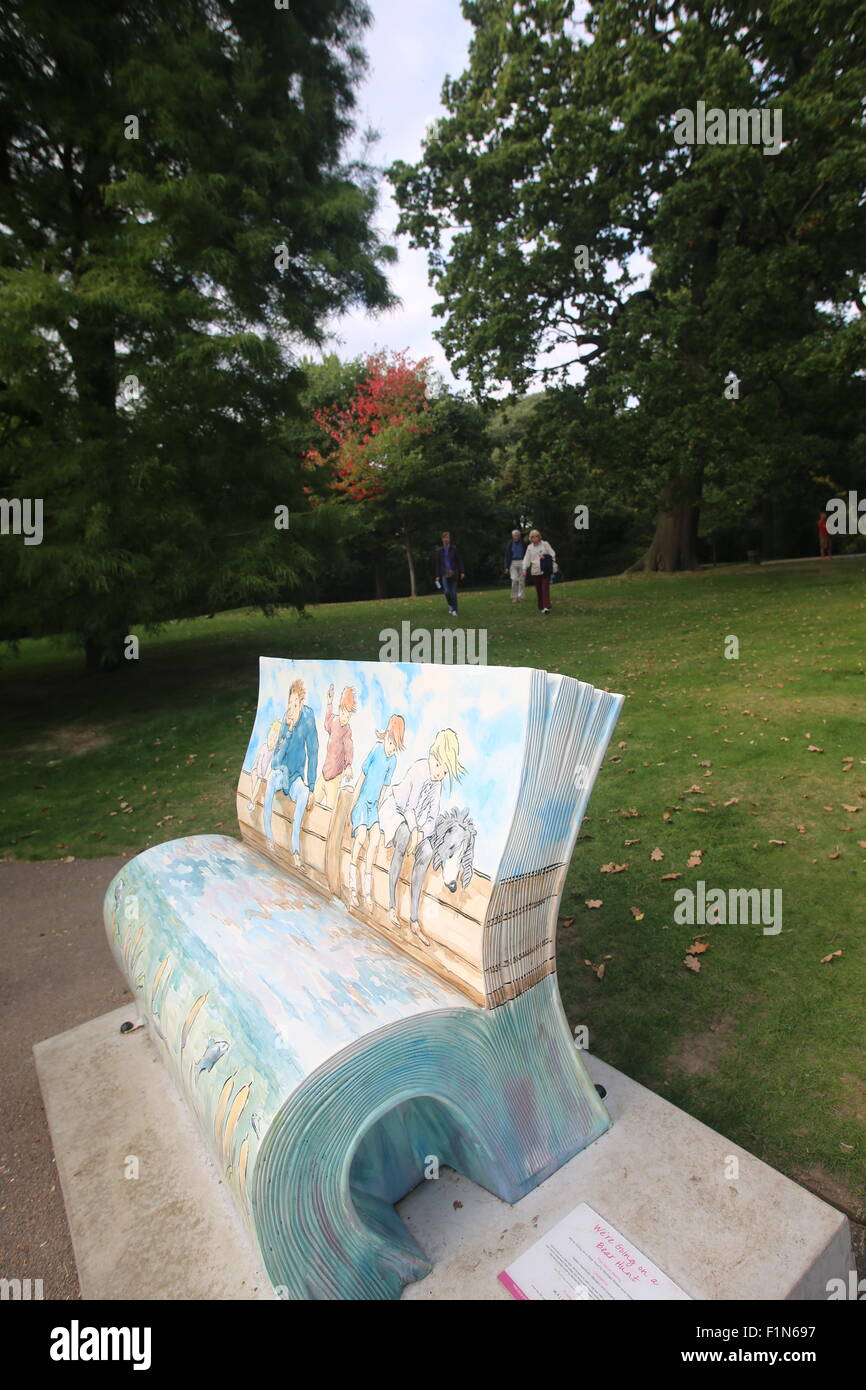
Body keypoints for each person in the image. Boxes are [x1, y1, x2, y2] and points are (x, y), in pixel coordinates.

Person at [378, 728, 465, 939]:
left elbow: (432, 817)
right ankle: (391, 905)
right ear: (432, 756)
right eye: (437, 766)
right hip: (396, 811)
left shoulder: (438, 784)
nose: (438, 774)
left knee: (426, 851)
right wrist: (416, 829)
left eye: (443, 772)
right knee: (405, 836)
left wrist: (424, 833)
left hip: (416, 825)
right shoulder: (419, 769)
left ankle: (414, 918)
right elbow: (407, 806)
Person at [348, 714, 406, 908]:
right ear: (386, 735)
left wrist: (378, 811)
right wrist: (353, 804)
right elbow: (362, 778)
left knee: (375, 841)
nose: (391, 749)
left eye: (394, 746)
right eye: (390, 742)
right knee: (362, 836)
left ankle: (366, 889)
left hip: (373, 807)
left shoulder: (393, 761)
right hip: (362, 801)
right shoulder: (376, 750)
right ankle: (352, 884)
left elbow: (383, 789)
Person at [263, 678, 318, 866]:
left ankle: (295, 850)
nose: (292, 708)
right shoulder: (286, 721)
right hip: (281, 774)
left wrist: (311, 786)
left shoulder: (309, 718)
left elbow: (313, 750)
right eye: (290, 703)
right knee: (270, 784)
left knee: (302, 794)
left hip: (295, 777)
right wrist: (288, 732)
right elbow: (275, 761)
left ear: (302, 703)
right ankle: (268, 839)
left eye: (296, 704)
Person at [314, 684, 356, 809]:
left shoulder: (347, 730)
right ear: (339, 710)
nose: (345, 718)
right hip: (324, 774)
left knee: (329, 810)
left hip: (334, 778)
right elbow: (327, 724)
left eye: (348, 716)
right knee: (312, 802)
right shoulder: (334, 721)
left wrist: (348, 765)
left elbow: (349, 748)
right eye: (343, 714)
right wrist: (329, 703)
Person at [247, 720, 281, 813]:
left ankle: (252, 801)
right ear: (268, 735)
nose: (272, 740)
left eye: (275, 739)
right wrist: (259, 773)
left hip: (263, 775)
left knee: (258, 781)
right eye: (271, 737)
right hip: (256, 770)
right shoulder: (264, 747)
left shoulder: (274, 751)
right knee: (256, 779)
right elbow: (259, 762)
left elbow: (271, 766)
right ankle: (253, 801)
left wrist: (264, 776)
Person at [522, 528, 557, 614]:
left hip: (545, 569)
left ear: (539, 537)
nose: (535, 538)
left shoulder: (545, 544)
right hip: (535, 571)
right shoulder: (529, 547)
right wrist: (524, 568)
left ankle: (546, 607)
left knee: (545, 588)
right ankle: (541, 606)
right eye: (533, 537)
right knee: (539, 589)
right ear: (531, 538)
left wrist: (546, 557)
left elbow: (553, 554)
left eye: (537, 536)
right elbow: (526, 559)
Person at [434, 531, 464, 616]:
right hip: (444, 574)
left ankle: (454, 610)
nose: (447, 539)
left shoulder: (454, 549)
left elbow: (459, 561)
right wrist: (437, 576)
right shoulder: (439, 551)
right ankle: (450, 605)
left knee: (453, 592)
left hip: (454, 573)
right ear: (442, 539)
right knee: (447, 592)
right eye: (445, 537)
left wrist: (462, 572)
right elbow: (437, 564)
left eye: (448, 537)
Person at [504, 528, 527, 602]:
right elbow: (507, 555)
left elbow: (527, 554)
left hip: (522, 562)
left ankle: (521, 597)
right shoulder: (510, 544)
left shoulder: (523, 543)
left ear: (519, 536)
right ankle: (514, 596)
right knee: (514, 579)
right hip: (513, 563)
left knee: (522, 580)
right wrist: (507, 567)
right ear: (512, 536)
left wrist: (526, 564)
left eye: (517, 535)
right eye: (514, 536)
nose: (516, 537)